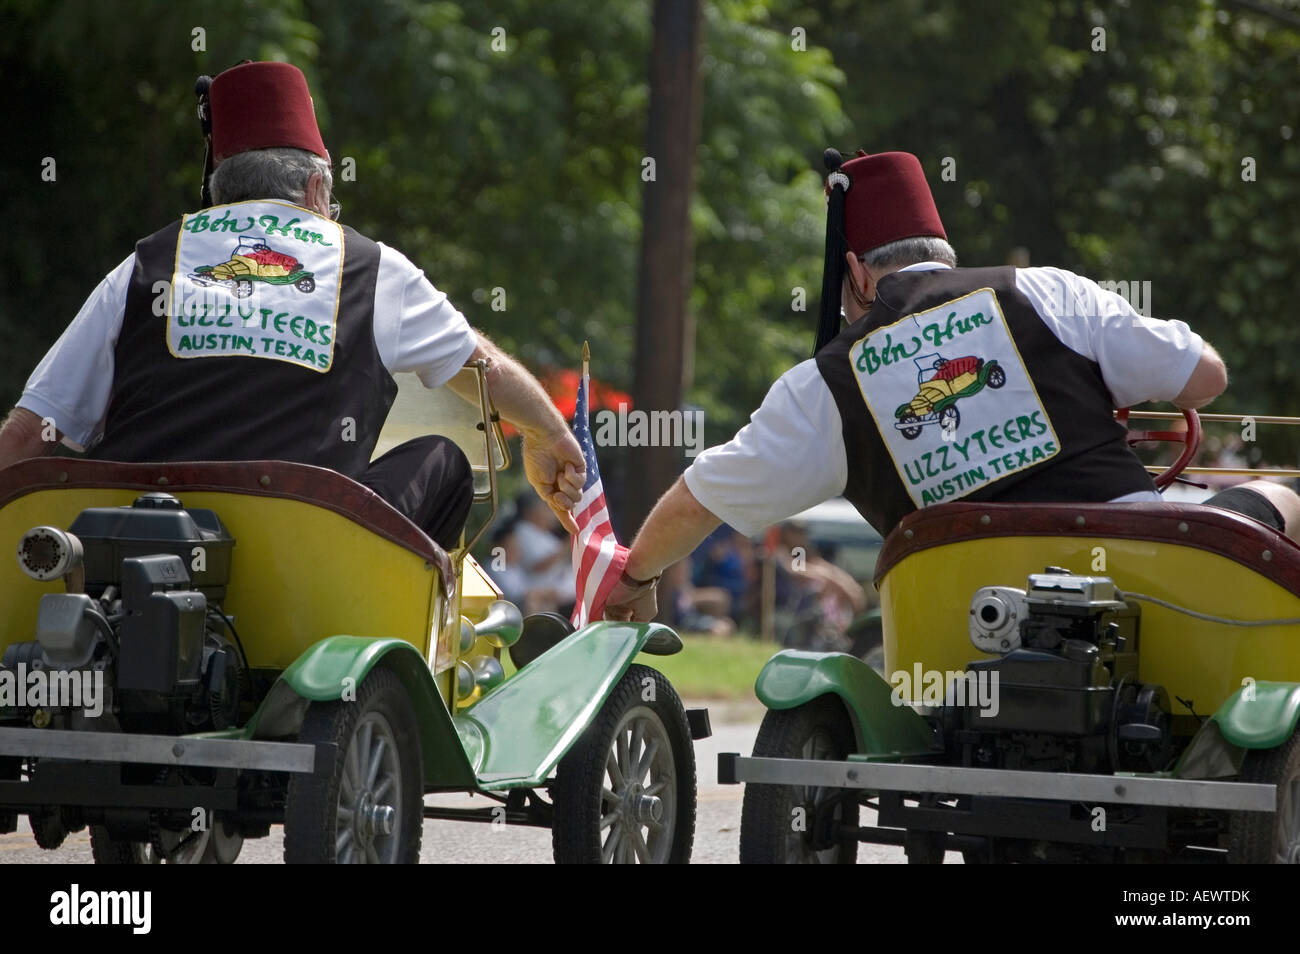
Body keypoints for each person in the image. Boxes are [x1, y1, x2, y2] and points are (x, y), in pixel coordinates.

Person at [605, 148, 1300, 621]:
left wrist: (635, 577)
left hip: (957, 623)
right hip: (1142, 588)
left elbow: (700, 498)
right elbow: (1206, 377)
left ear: (854, 272)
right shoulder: (1046, 291)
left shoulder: (821, 385)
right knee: (1282, 497)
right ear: (944, 254)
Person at [0, 61, 583, 550]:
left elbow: (31, 434)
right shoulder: (373, 268)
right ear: (313, 191)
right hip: (309, 564)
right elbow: (485, 370)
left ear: (219, 189)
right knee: (444, 459)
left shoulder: (143, 266)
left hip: (133, 552)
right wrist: (550, 437)